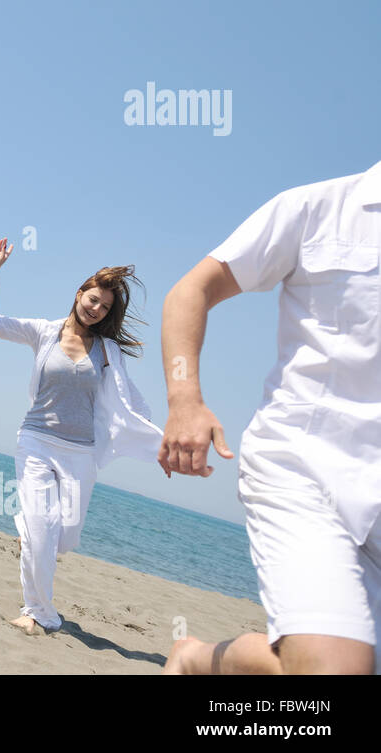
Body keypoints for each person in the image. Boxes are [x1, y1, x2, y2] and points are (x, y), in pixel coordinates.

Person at [160, 160, 380, 675]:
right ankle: (197, 663)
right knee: (335, 672)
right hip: (306, 471)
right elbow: (191, 291)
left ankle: (198, 659)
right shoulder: (316, 208)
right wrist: (184, 399)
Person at [0, 247, 163, 633]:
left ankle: (28, 529)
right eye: (93, 299)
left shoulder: (108, 351)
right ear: (79, 294)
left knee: (65, 536)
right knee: (43, 530)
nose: (96, 309)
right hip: (37, 440)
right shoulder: (44, 331)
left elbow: (127, 399)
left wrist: (157, 439)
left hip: (81, 451)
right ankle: (38, 612)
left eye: (105, 307)